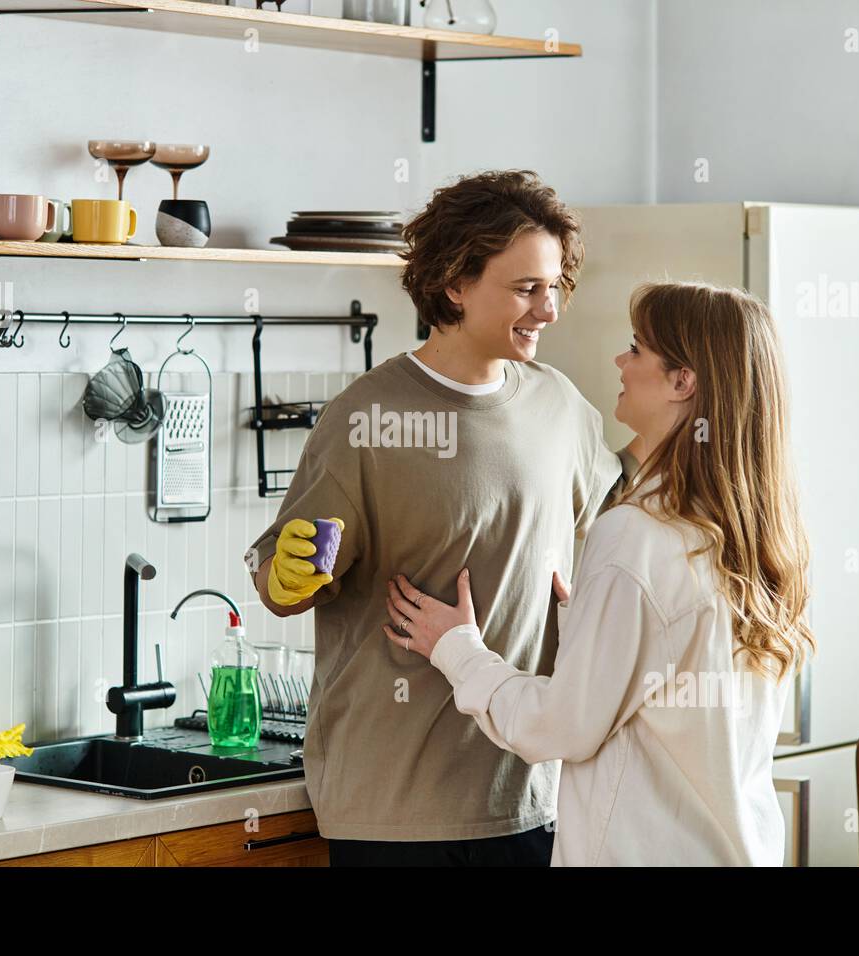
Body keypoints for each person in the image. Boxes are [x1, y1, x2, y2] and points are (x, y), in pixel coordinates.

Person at [243, 170, 625, 866]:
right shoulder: (365, 417)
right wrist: (287, 571)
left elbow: (617, 538)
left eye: (554, 287)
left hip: (531, 794)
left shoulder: (561, 408)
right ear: (455, 283)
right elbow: (280, 582)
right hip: (395, 811)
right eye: (525, 288)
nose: (549, 309)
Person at [385, 281, 815, 866]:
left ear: (681, 382)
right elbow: (672, 682)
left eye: (637, 349)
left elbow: (560, 727)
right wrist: (588, 619)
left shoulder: (635, 534)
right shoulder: (754, 536)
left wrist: (458, 650)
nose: (620, 360)